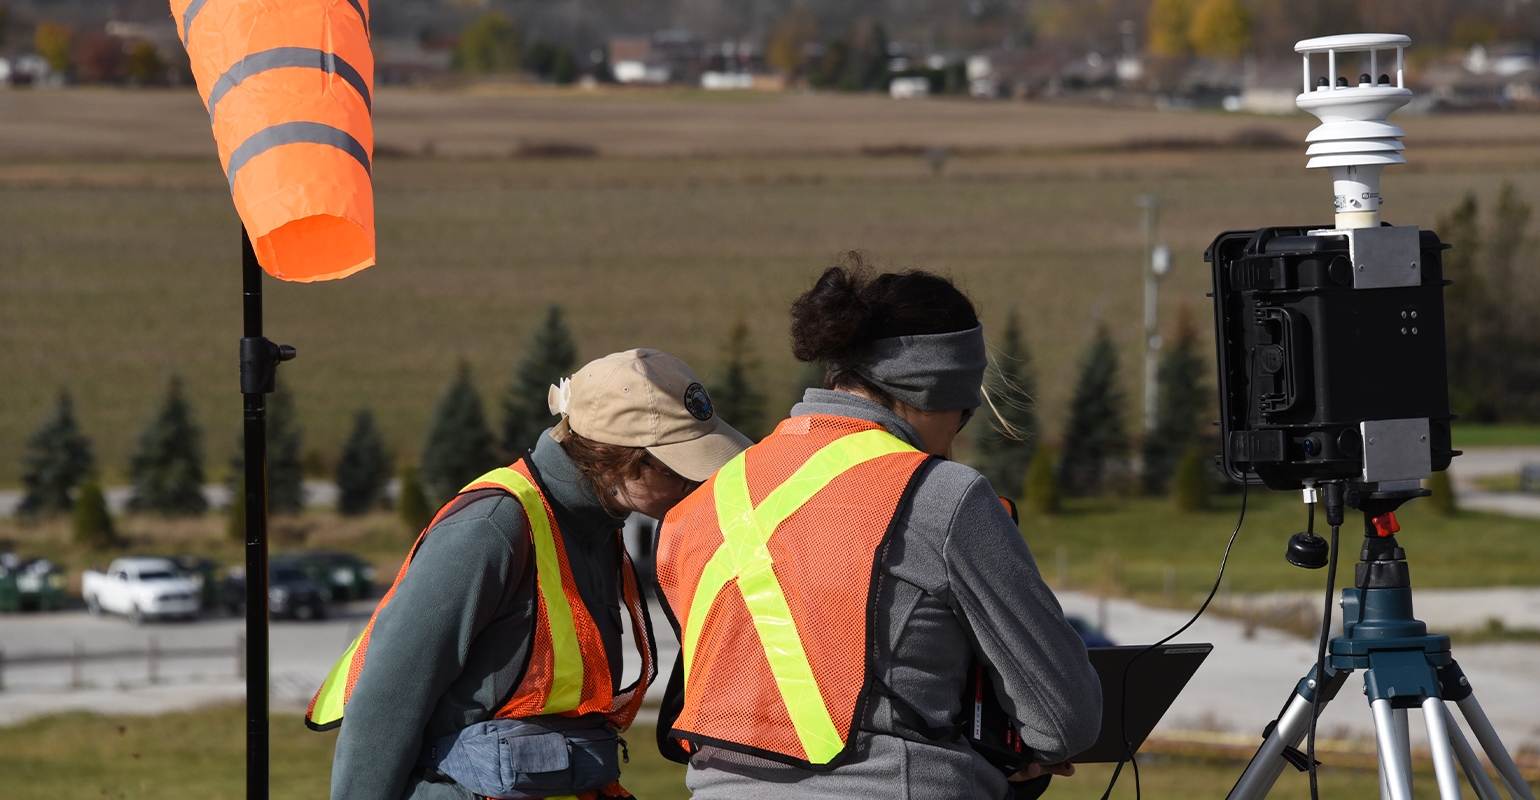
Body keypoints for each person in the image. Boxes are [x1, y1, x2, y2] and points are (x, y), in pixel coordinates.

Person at [654, 260, 1102, 799]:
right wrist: (1028, 753)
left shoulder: (704, 502)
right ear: (930, 392)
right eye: (961, 414)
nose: (954, 440)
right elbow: (1064, 718)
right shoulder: (943, 494)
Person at [309, 349, 752, 800]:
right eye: (680, 466)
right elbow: (384, 708)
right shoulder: (491, 529)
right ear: (612, 460)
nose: (697, 481)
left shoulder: (595, 523)